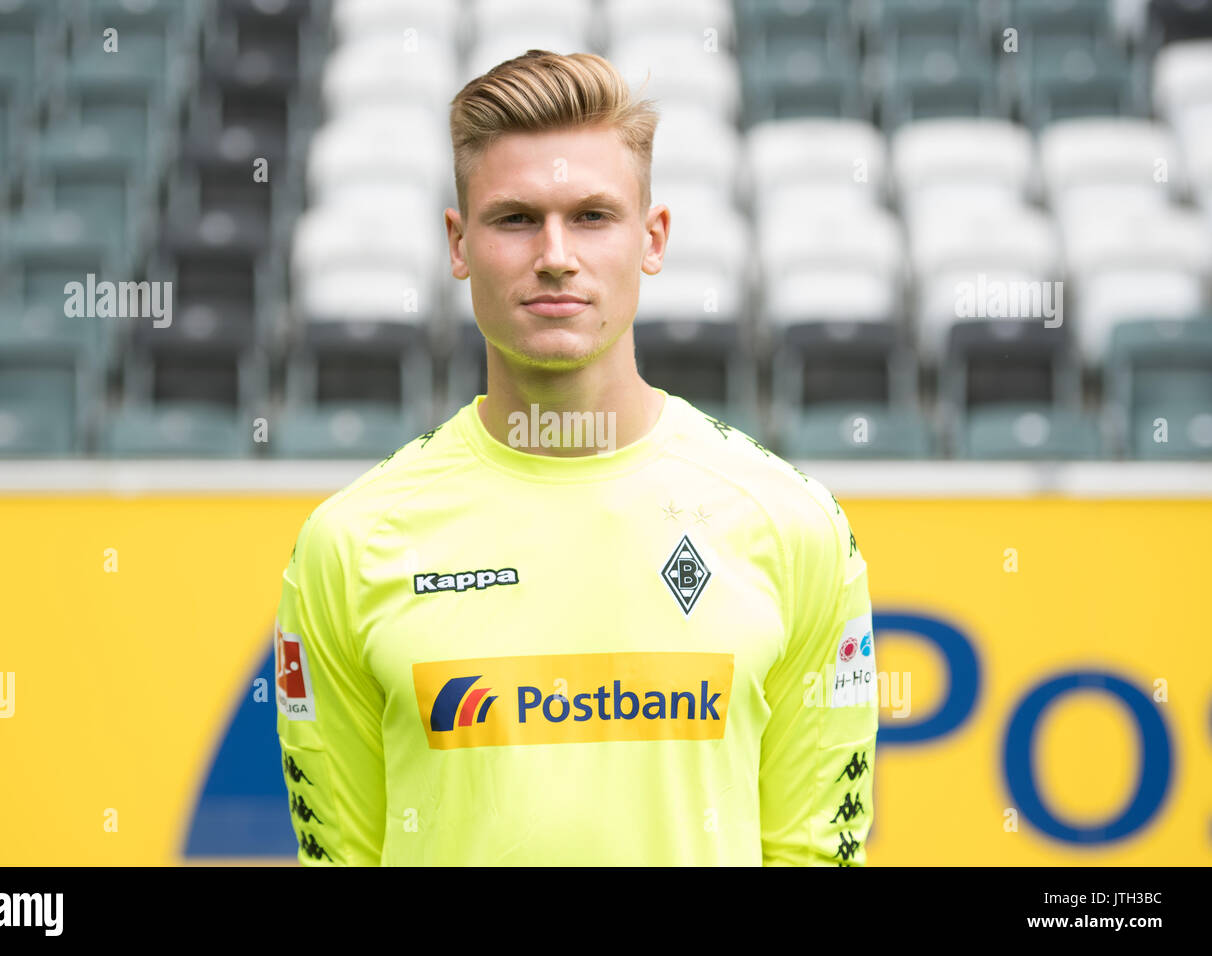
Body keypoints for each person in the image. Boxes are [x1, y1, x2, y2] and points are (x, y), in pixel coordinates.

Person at [274, 49, 878, 865]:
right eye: (515, 218)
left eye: (592, 216)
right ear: (458, 244)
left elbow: (815, 854)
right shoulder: (348, 544)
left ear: (652, 237)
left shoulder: (793, 525)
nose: (555, 253)